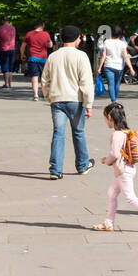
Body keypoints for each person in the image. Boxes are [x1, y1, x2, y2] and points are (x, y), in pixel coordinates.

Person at [90, 103, 138, 233]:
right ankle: (108, 223)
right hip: (128, 169)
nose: (105, 121)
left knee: (130, 197)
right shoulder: (127, 132)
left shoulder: (116, 134)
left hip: (123, 171)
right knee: (112, 193)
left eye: (105, 118)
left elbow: (115, 154)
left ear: (110, 117)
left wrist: (106, 161)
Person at [40, 25, 95, 180]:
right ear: (76, 38)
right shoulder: (81, 56)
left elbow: (45, 79)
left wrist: (48, 95)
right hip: (75, 100)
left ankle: (55, 169)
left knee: (58, 133)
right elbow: (86, 82)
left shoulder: (53, 56)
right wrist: (88, 104)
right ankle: (82, 165)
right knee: (78, 132)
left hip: (57, 99)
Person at [96, 26, 134, 104]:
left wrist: (99, 67)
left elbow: (103, 56)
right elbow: (126, 56)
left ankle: (113, 100)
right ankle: (115, 99)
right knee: (117, 84)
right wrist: (131, 68)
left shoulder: (106, 42)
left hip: (108, 65)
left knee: (111, 84)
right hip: (119, 66)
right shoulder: (122, 44)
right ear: (120, 34)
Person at [21, 21, 53, 102]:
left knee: (34, 77)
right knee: (44, 77)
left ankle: (36, 95)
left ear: (35, 26)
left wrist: (22, 54)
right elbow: (50, 45)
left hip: (33, 58)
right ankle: (45, 94)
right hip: (43, 58)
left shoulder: (29, 34)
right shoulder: (46, 34)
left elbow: (23, 46)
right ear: (42, 26)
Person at [0, 16, 16, 89]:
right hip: (12, 49)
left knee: (5, 67)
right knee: (10, 67)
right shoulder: (13, 28)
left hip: (4, 49)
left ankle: (6, 83)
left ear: (2, 20)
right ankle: (10, 84)